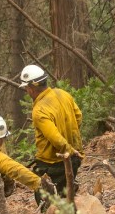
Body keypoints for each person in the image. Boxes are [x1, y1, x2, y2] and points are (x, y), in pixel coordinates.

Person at [18, 64, 82, 202]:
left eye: (26, 88)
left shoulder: (39, 110)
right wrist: (72, 147)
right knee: (66, 196)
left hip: (53, 163)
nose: (27, 91)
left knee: (47, 199)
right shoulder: (63, 94)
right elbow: (78, 116)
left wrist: (68, 150)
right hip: (74, 157)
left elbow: (55, 138)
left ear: (31, 88)